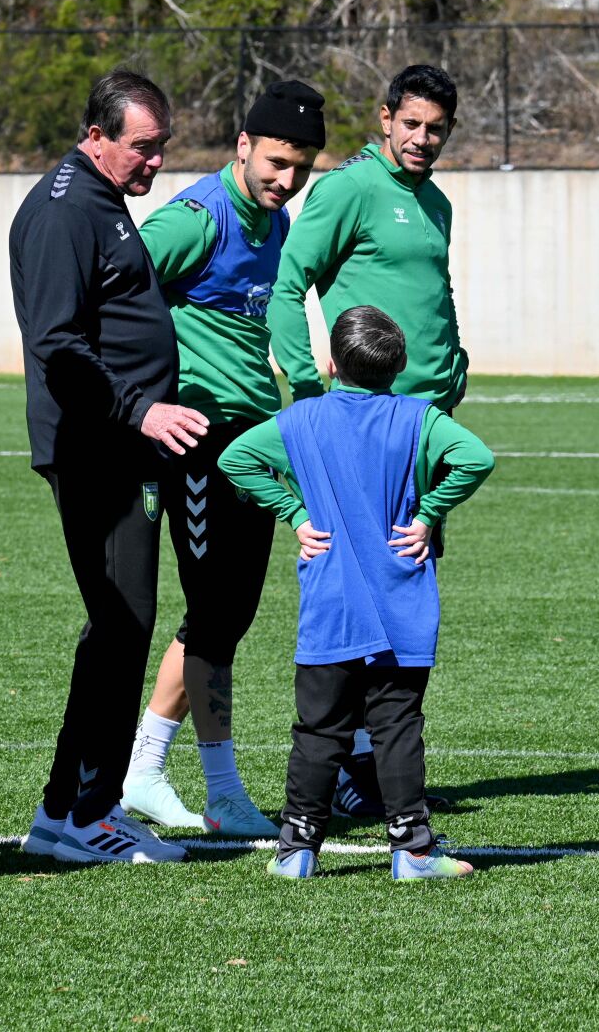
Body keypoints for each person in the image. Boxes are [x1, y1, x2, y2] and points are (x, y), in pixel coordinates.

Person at [8, 69, 210, 865]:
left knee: (121, 626)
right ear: (96, 136)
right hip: (93, 449)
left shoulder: (100, 202)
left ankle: (66, 810)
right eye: (143, 147)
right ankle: (84, 812)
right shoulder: (63, 211)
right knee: (121, 624)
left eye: (162, 147)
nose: (155, 163)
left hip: (122, 447)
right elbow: (56, 343)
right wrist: (140, 410)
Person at [219, 305, 495, 880]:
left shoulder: (300, 420)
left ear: (331, 363)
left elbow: (235, 457)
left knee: (319, 730)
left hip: (329, 604)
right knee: (397, 725)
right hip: (401, 602)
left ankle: (297, 851)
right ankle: (412, 851)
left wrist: (293, 515)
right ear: (398, 369)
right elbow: (477, 457)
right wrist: (427, 515)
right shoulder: (419, 419)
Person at [118, 81, 328, 838]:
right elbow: (115, 286)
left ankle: (220, 787)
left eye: (299, 169)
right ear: (242, 146)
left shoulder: (275, 219)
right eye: (275, 163)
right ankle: (145, 767)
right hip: (195, 440)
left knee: (230, 614)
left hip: (250, 440)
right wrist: (142, 398)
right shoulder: (197, 216)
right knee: (212, 611)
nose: (285, 180)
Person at [266, 64, 469, 818]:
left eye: (436, 128)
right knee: (355, 597)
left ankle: (375, 764)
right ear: (384, 118)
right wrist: (306, 386)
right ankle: (351, 768)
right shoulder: (348, 189)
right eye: (410, 123)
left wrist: (456, 364)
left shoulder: (436, 202)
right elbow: (291, 282)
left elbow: (435, 294)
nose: (422, 139)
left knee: (402, 596)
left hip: (417, 432)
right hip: (363, 428)